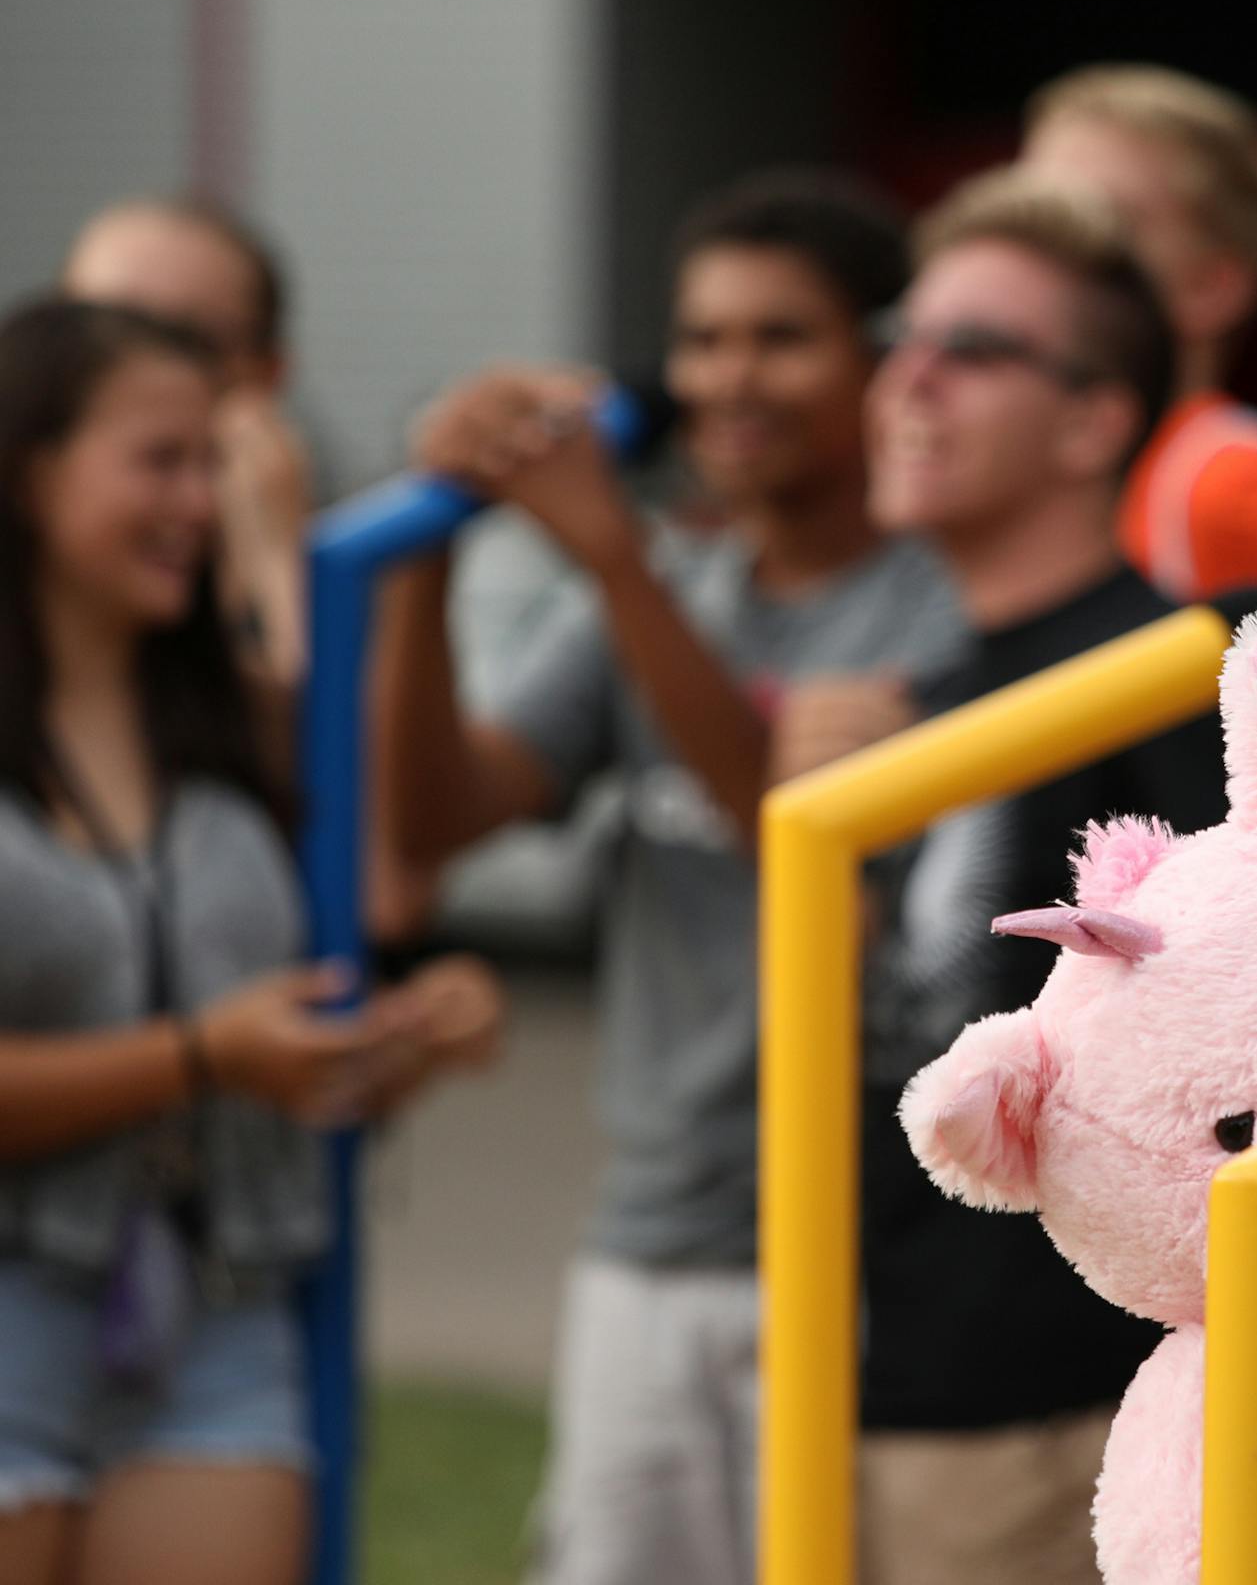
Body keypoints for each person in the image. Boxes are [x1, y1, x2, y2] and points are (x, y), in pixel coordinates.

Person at [371, 173, 964, 1585]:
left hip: (865, 1245)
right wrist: (430, 553)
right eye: (702, 340)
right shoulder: (659, 592)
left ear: (882, 362)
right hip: (651, 1234)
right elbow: (434, 819)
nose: (728, 379)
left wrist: (616, 559)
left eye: (780, 338)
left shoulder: (941, 608)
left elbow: (790, 839)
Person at [0, 298, 499, 1585]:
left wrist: (395, 1037)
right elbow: (218, 1043)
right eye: (161, 461)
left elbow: (351, 937)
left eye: (213, 464)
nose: (199, 501)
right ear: (32, 469)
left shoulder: (239, 725)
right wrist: (201, 1056)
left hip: (218, 1308)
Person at [844, 166, 1231, 1585]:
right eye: (902, 337)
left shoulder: (1171, 675)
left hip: (1057, 1413)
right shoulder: (938, 687)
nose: (909, 378)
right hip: (898, 1376)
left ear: (1092, 422)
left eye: (974, 347)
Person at [1020, 65, 1257, 708]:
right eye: (1026, 214)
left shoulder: (1236, 487)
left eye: (1100, 222)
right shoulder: (1046, 480)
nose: (1039, 253)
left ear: (1210, 287)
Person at [63, 199, 315, 686]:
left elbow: (337, 727)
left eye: (192, 342)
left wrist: (281, 570)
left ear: (268, 374)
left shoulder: (358, 560)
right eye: (100, 333)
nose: (150, 376)